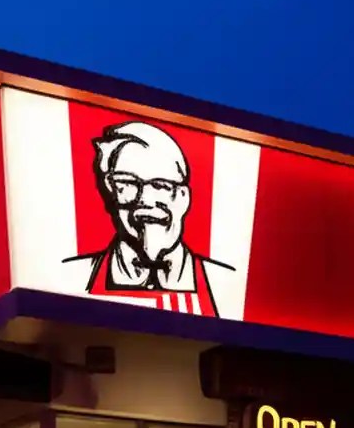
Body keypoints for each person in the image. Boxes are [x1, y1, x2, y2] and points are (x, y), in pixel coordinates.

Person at [61, 121, 233, 316]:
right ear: (110, 192)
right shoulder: (70, 277)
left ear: (184, 197)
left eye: (161, 185)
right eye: (127, 182)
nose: (146, 200)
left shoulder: (224, 283)